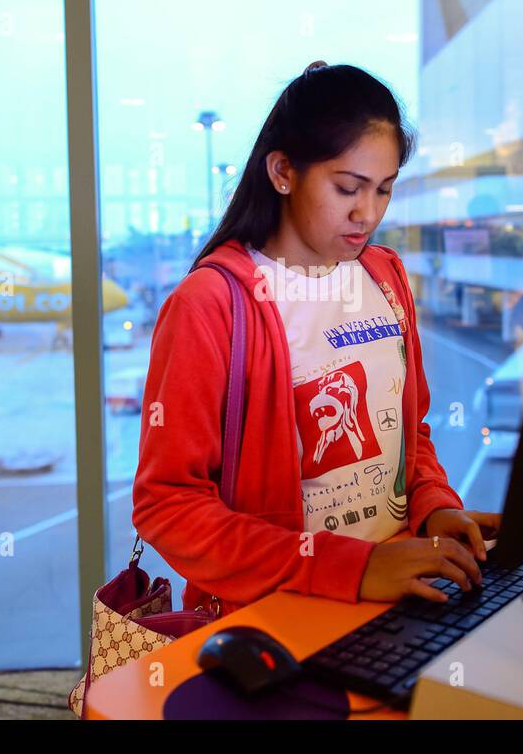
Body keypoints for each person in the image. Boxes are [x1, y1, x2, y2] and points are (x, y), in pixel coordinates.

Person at [131, 61, 500, 618]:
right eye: (348, 187)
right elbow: (167, 504)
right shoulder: (209, 306)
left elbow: (409, 436)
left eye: (384, 190)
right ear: (282, 171)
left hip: (397, 592)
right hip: (274, 614)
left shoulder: (385, 276)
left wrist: (434, 508)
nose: (367, 213)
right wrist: (349, 568)